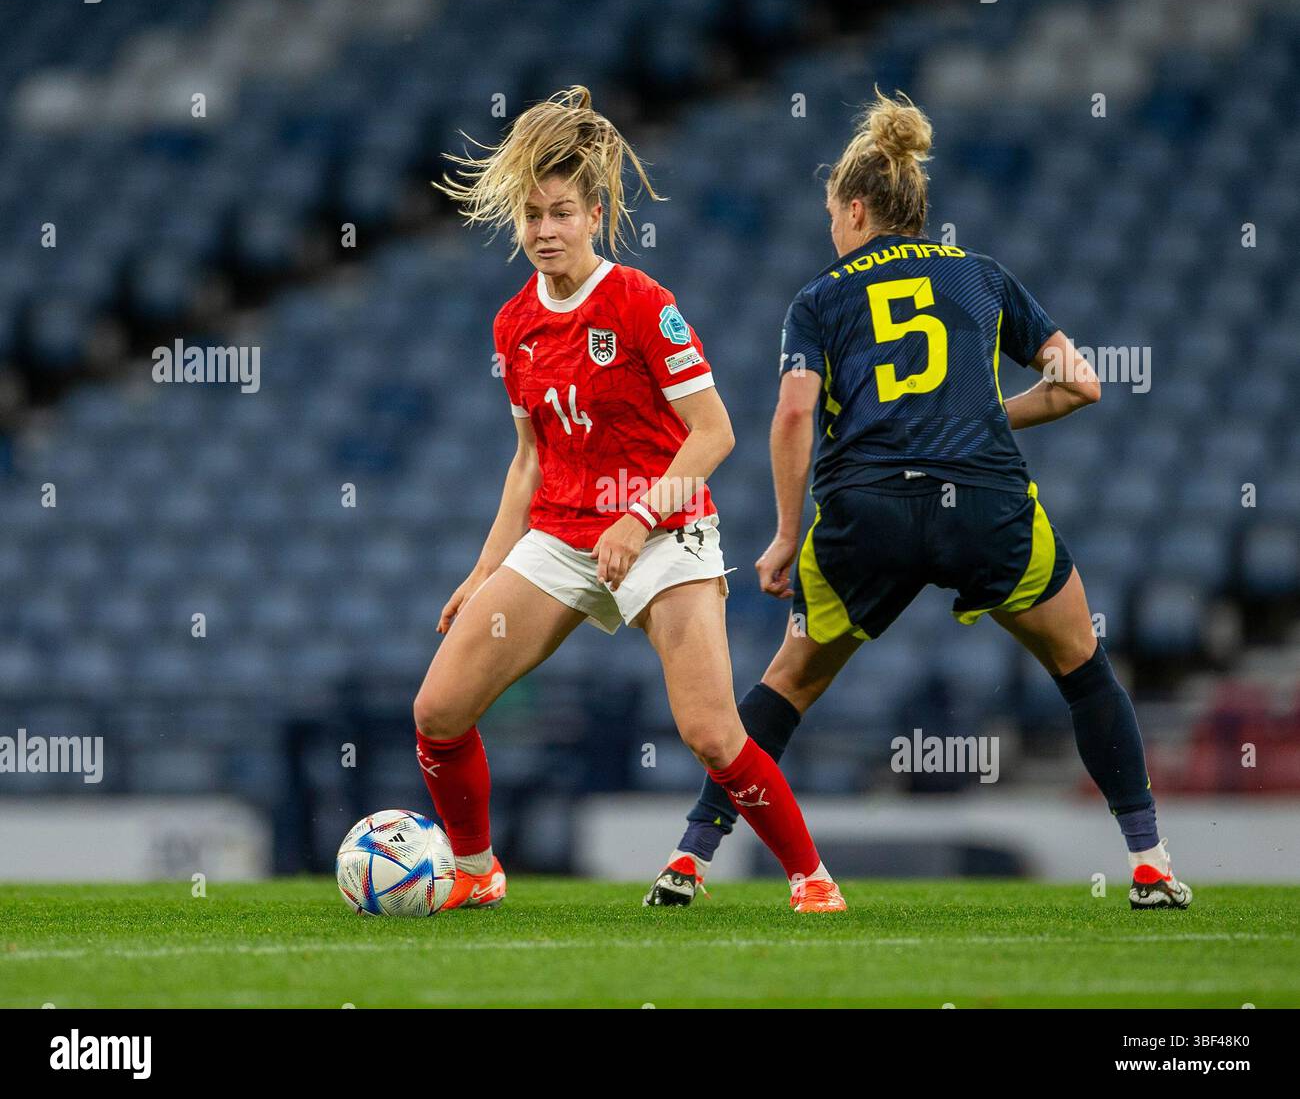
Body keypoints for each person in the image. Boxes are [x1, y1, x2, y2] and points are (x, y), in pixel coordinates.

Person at [647, 88, 1191, 911]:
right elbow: (1080, 383)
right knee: (1082, 665)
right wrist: (981, 417)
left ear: (857, 209)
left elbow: (794, 412)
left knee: (786, 685)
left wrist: (788, 532)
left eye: (833, 211)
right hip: (984, 497)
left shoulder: (821, 297)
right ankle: (1149, 861)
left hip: (867, 509)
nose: (831, 226)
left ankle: (690, 856)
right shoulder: (979, 275)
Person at [418, 86, 845, 913]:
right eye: (531, 215)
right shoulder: (513, 325)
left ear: (597, 212)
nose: (544, 231)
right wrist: (483, 570)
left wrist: (639, 514)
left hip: (665, 531)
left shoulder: (643, 303)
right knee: (438, 710)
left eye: (561, 213)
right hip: (562, 533)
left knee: (712, 732)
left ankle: (811, 877)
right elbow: (527, 463)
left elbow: (714, 432)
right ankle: (476, 871)